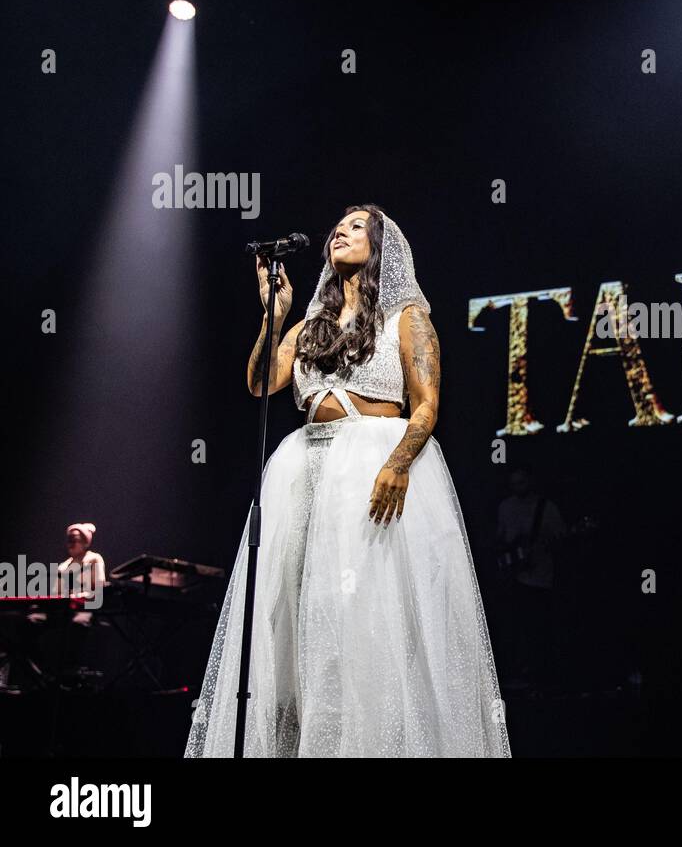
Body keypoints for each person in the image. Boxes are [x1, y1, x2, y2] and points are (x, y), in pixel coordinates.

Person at [185, 205, 510, 757]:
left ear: (381, 246)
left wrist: (399, 463)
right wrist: (275, 315)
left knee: (365, 618)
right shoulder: (310, 325)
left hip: (374, 462)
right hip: (304, 469)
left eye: (357, 226)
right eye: (339, 224)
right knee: (300, 623)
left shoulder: (406, 317)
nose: (341, 230)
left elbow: (427, 405)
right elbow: (260, 383)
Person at [495, 467, 565, 686]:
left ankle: (543, 674)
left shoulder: (546, 507)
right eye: (514, 483)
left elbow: (560, 538)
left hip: (541, 577)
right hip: (514, 576)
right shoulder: (506, 507)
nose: (519, 488)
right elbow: (499, 538)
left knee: (541, 627)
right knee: (519, 628)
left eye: (522, 482)